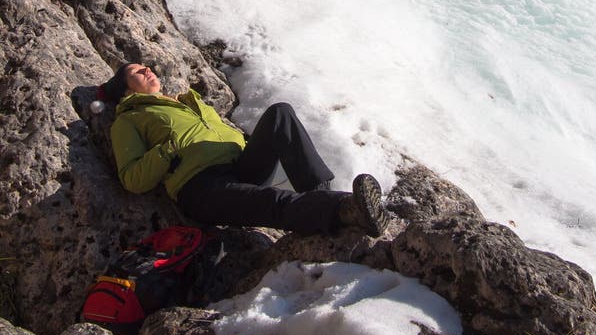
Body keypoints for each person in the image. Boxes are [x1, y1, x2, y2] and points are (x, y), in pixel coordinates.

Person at [99, 62, 389, 238]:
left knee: (280, 114)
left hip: (239, 165)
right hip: (201, 186)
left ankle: (321, 191)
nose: (148, 69)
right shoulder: (129, 119)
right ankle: (344, 209)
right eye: (136, 71)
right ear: (126, 91)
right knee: (272, 201)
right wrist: (168, 150)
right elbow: (132, 178)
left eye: (145, 66)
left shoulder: (185, 102)